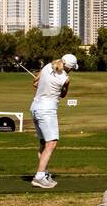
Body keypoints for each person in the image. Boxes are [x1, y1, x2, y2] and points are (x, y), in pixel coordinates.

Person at [30, 53, 78, 188]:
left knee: (44, 143)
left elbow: (35, 83)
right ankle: (39, 177)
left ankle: (44, 174)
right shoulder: (66, 79)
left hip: (35, 108)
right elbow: (63, 95)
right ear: (70, 68)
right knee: (51, 144)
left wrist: (43, 85)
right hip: (47, 110)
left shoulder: (46, 66)